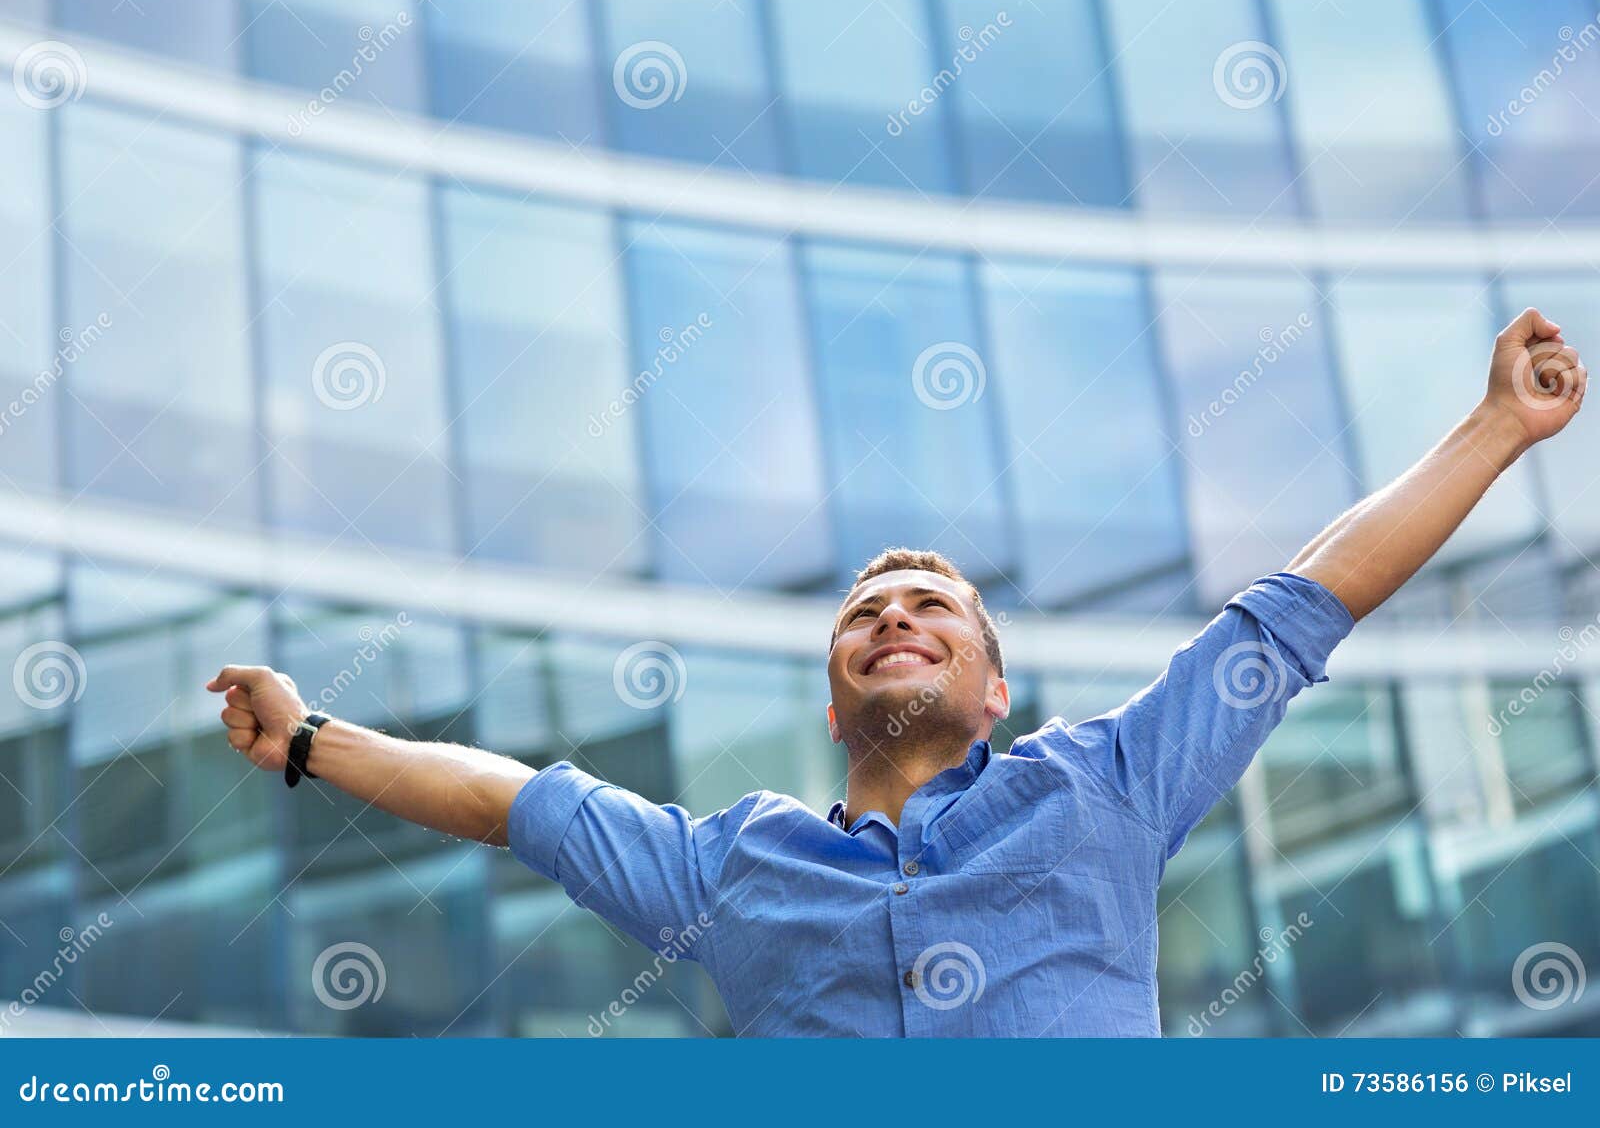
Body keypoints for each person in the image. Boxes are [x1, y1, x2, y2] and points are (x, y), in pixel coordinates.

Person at [207, 308, 1585, 1036]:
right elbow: (511, 798)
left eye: (937, 605)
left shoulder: (1103, 782)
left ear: (996, 689)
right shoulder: (734, 864)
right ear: (831, 703)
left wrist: (1493, 427)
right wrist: (311, 738)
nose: (895, 614)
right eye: (865, 612)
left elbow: (1301, 603)